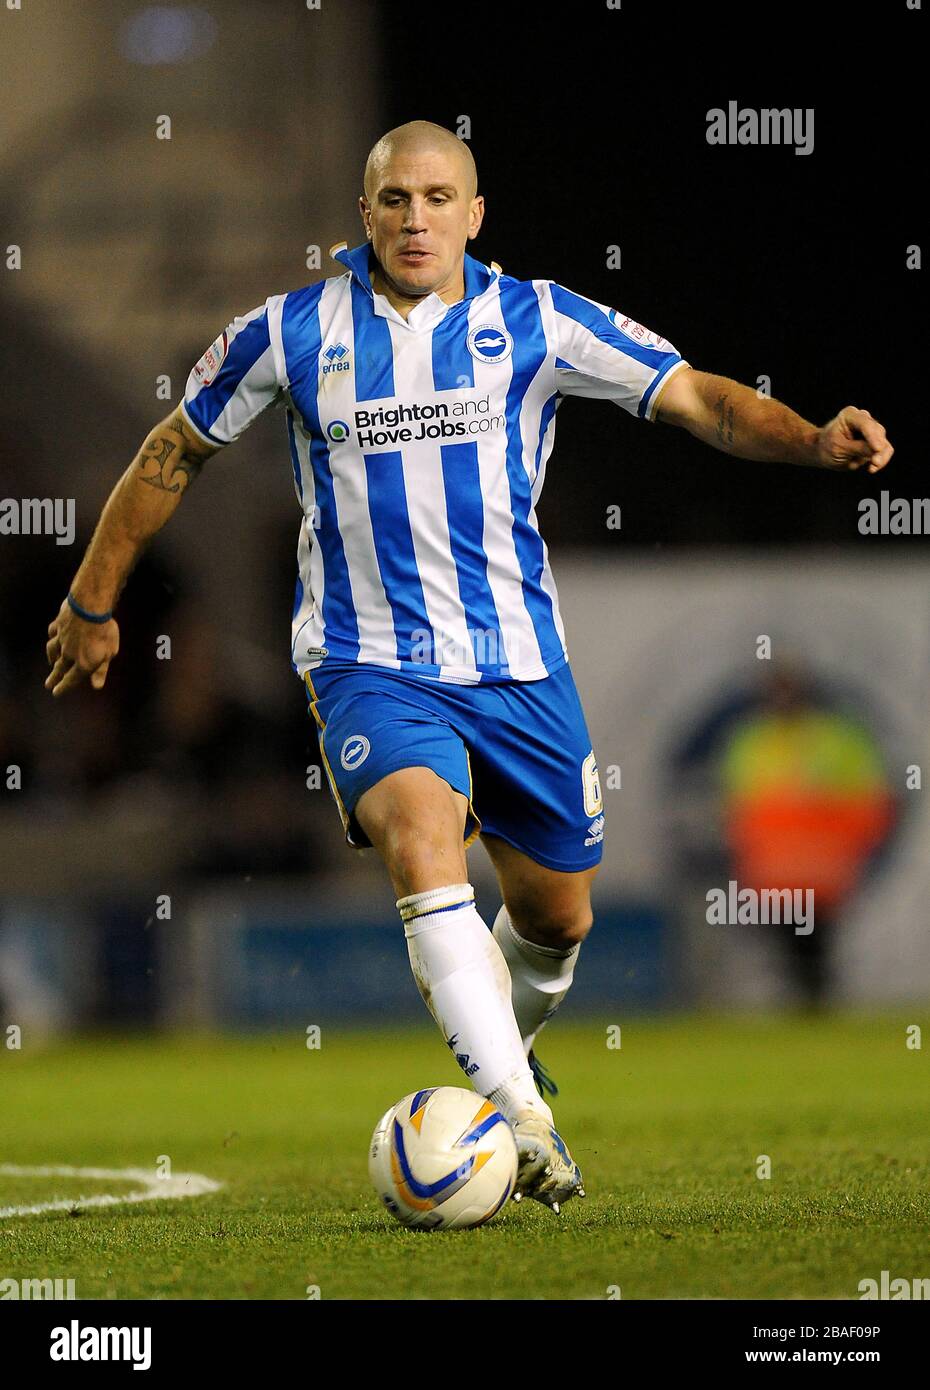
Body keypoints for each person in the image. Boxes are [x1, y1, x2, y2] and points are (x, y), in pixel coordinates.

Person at [45, 120, 894, 1213]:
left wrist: (813, 438)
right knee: (418, 834)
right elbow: (175, 449)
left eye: (439, 198)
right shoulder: (289, 332)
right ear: (365, 214)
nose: (415, 218)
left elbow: (696, 396)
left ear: (474, 214)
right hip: (369, 664)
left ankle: (505, 1055)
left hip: (519, 667)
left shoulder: (535, 320)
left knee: (558, 918)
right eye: (395, 198)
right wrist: (92, 598)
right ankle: (522, 1118)